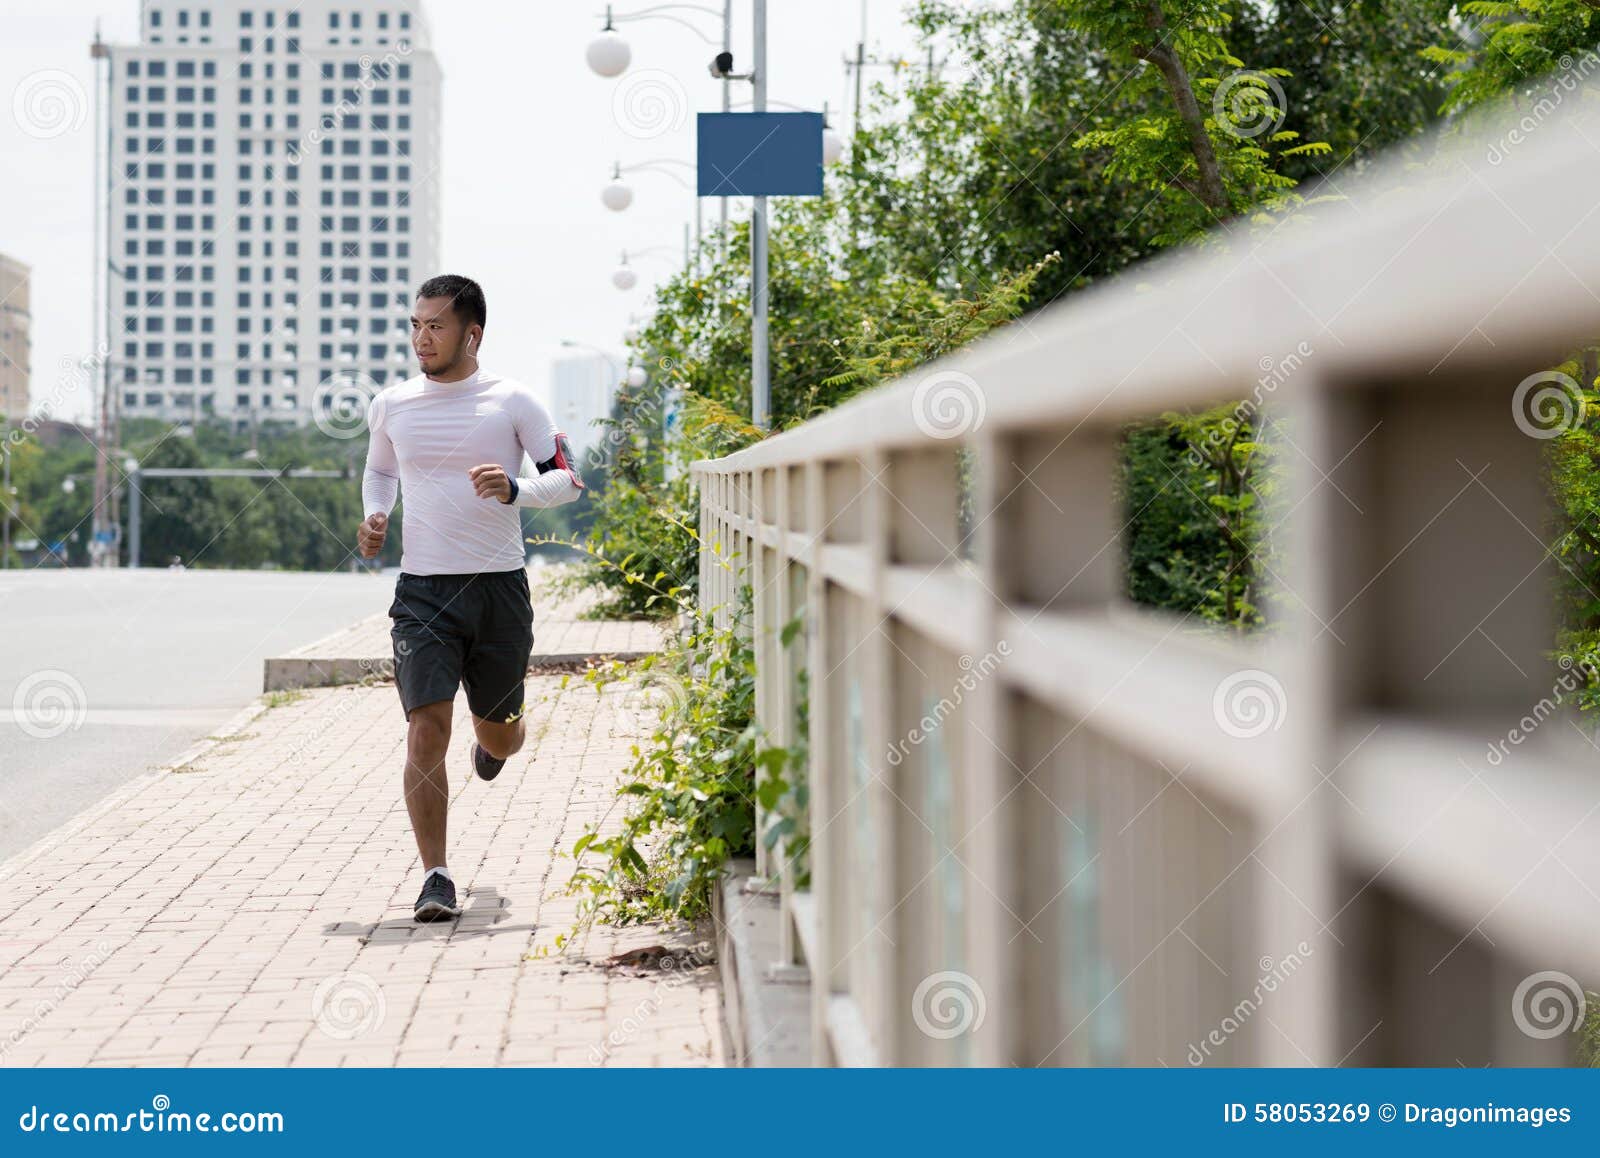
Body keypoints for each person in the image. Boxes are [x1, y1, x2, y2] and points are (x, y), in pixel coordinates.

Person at [356, 274, 585, 922]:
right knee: (425, 731)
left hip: (499, 592)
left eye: (436, 326)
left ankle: (494, 746)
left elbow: (568, 478)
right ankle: (436, 875)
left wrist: (516, 489)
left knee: (503, 737)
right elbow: (380, 471)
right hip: (423, 591)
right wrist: (375, 515)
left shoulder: (512, 402)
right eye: (416, 325)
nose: (422, 338)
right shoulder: (393, 405)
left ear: (471, 333)